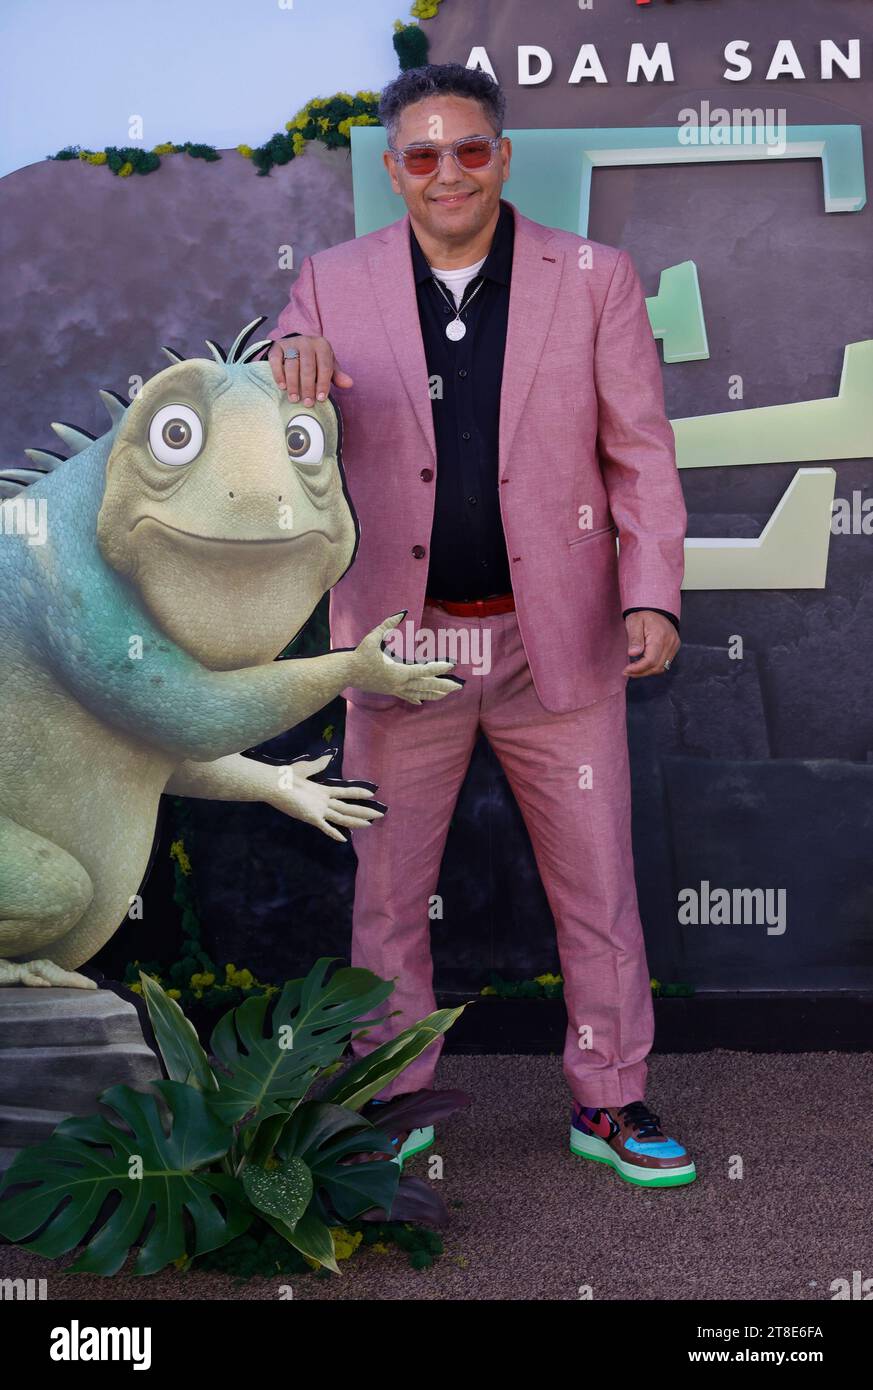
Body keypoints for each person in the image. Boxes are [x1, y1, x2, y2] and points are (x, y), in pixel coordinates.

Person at [266, 62, 694, 1188]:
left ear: (503, 157)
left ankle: (610, 1101)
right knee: (387, 890)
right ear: (394, 168)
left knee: (598, 885)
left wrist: (650, 589)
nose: (446, 171)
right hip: (402, 649)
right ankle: (394, 1098)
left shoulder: (594, 276)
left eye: (469, 150)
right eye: (422, 153)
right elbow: (275, 426)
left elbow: (639, 453)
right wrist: (281, 373)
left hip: (560, 636)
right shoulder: (327, 283)